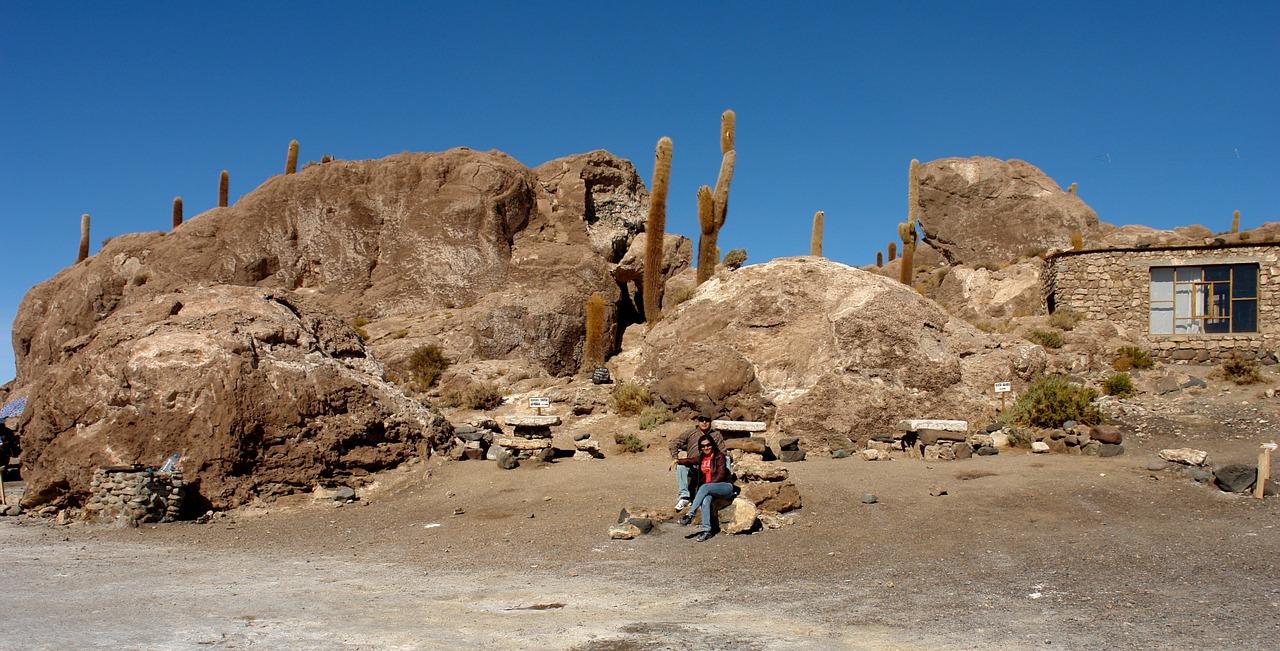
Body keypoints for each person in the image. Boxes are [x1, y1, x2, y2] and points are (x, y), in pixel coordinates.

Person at [672, 434, 734, 542]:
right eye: (703, 446)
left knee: (705, 487)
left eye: (708, 445)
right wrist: (677, 461)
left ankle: (690, 515)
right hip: (709, 489)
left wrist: (708, 486)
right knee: (705, 500)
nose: (706, 448)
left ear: (712, 445)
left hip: (724, 486)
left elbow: (721, 475)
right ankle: (707, 530)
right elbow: (690, 461)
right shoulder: (702, 458)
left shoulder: (720, 457)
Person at [667, 414, 725, 511]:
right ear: (698, 421)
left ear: (710, 422)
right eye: (701, 420)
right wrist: (675, 457)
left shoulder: (716, 435)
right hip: (694, 467)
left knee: (726, 460)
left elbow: (723, 451)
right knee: (681, 466)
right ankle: (684, 497)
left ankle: (724, 488)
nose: (704, 422)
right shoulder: (691, 433)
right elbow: (674, 443)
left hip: (711, 468)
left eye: (706, 420)